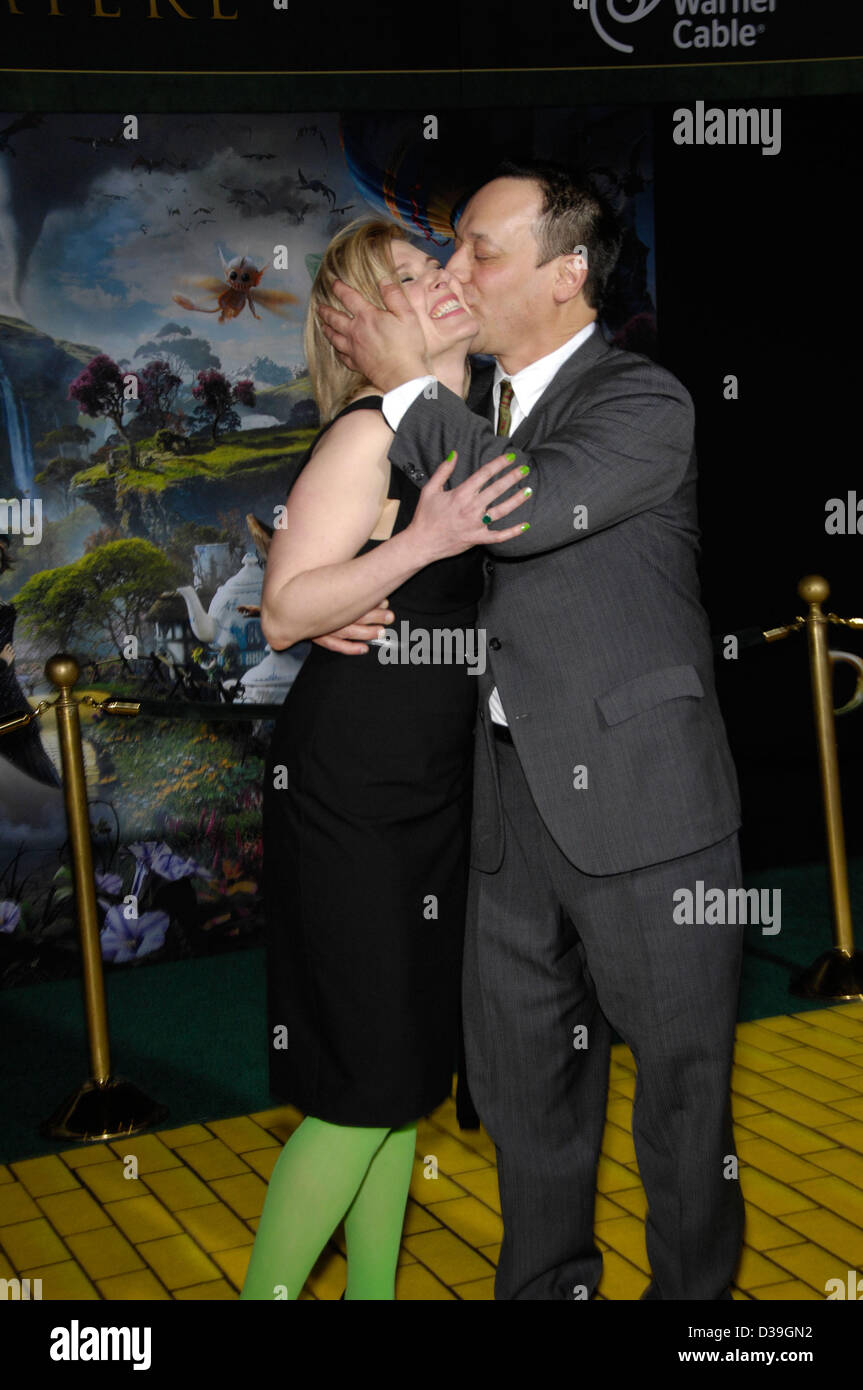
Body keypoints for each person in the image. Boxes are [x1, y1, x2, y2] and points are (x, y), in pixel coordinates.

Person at [315, 162, 746, 1301]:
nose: (452, 272)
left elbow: (513, 511)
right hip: (500, 813)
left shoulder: (641, 401)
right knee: (521, 1096)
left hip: (646, 806)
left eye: (479, 252)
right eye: (448, 250)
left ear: (566, 275)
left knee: (681, 1095)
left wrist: (405, 383)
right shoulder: (465, 401)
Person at [240, 218, 530, 1301]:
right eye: (409, 279)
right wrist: (409, 548)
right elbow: (279, 614)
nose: (442, 284)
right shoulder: (367, 435)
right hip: (353, 790)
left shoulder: (472, 424)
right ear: (364, 323)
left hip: (437, 790)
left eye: (439, 265)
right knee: (359, 1087)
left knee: (400, 1075)